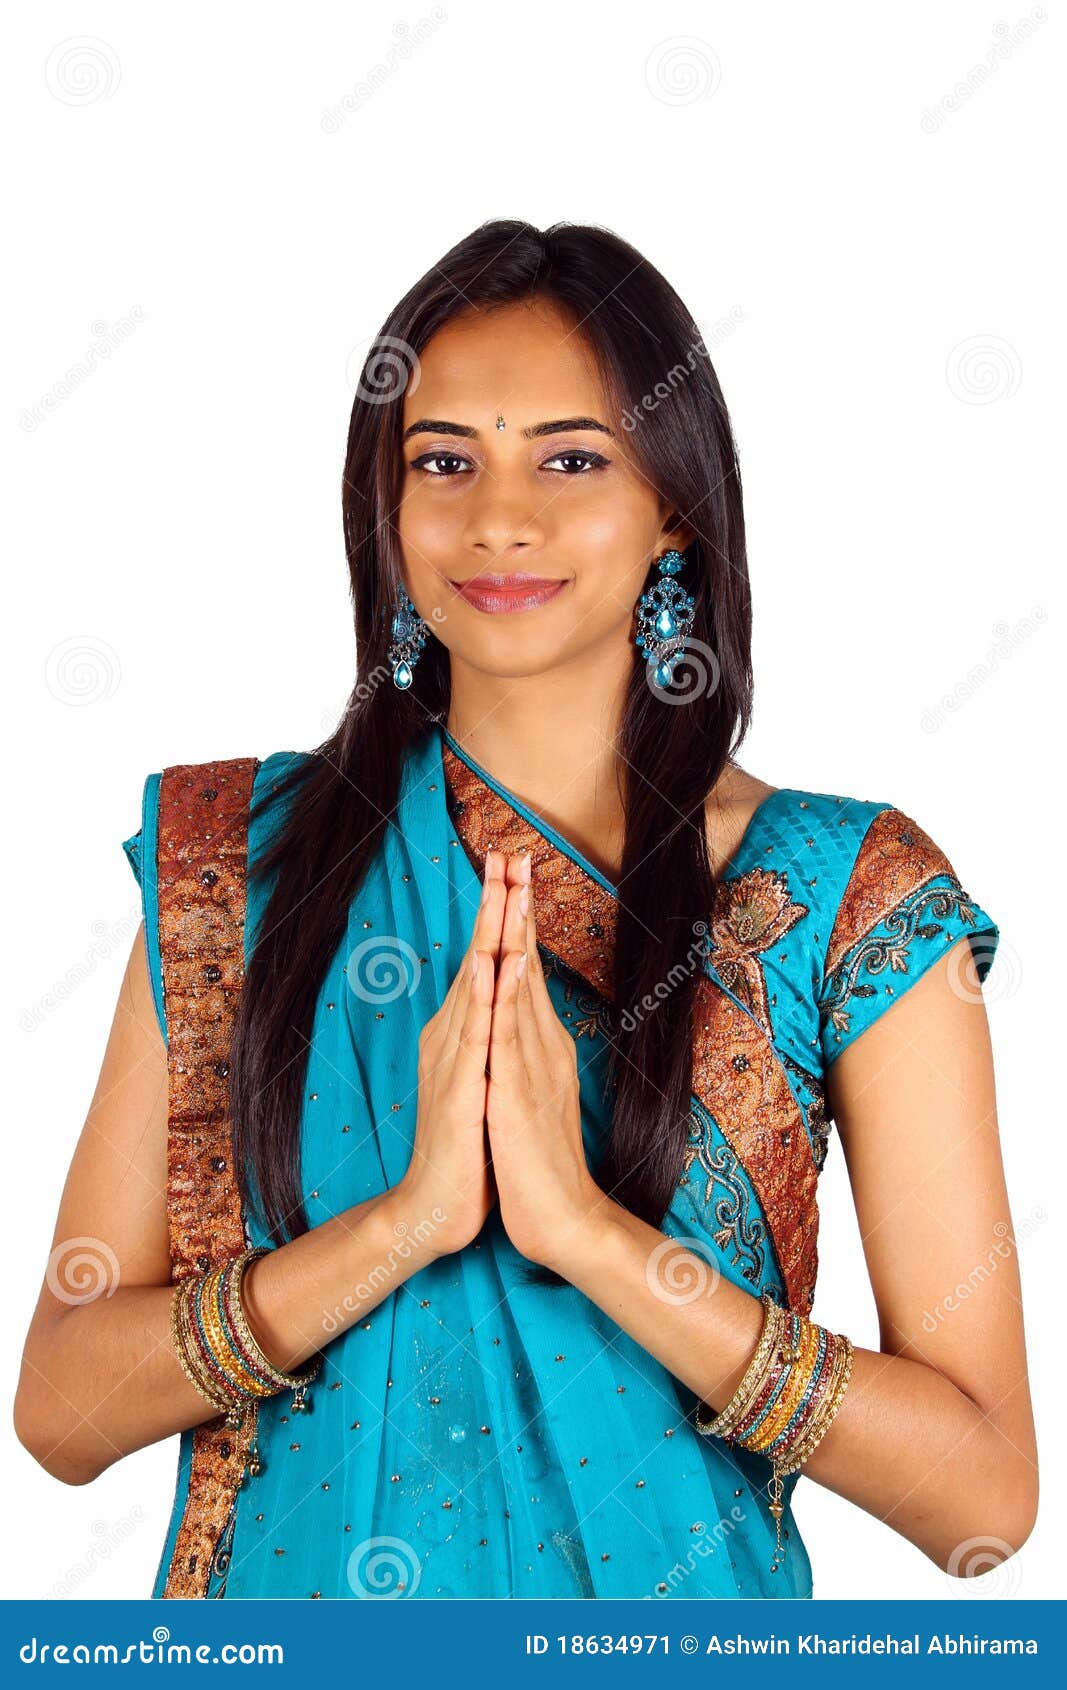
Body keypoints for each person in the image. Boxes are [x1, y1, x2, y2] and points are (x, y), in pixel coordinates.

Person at [14, 220, 1037, 1601]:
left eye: (571, 458)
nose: (501, 517)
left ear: (675, 503)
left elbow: (981, 1493)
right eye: (445, 461)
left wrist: (590, 1235)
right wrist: (403, 1222)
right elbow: (62, 1408)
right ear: (388, 505)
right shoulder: (236, 863)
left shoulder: (848, 896)